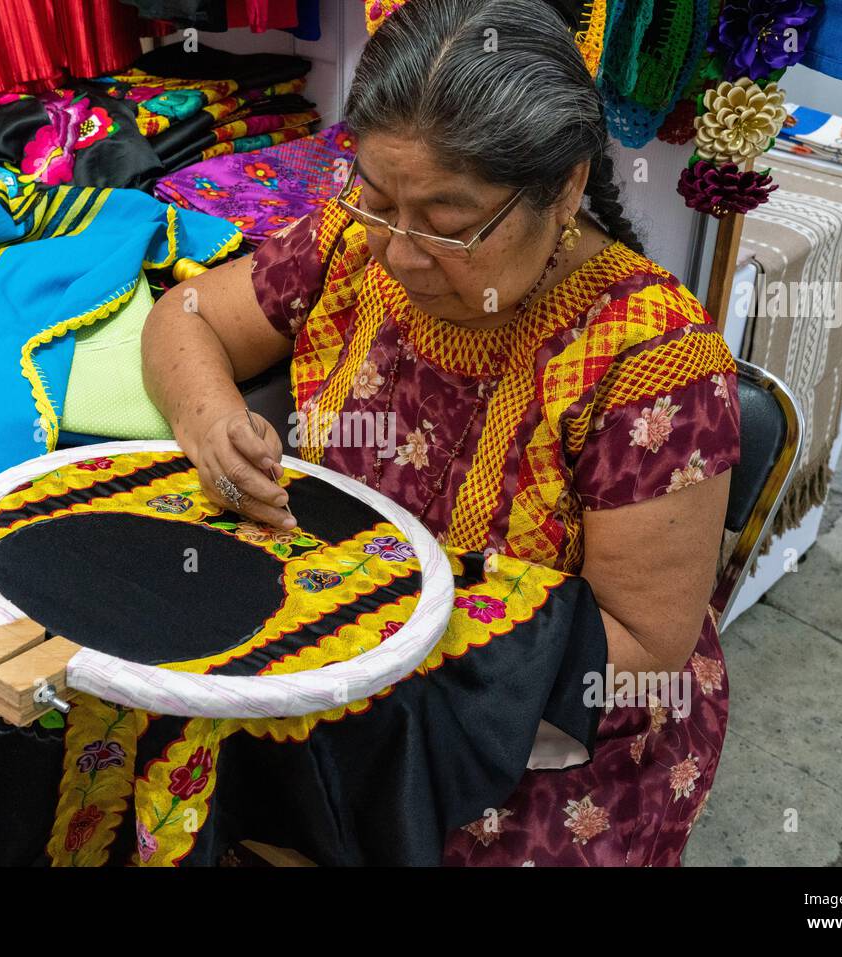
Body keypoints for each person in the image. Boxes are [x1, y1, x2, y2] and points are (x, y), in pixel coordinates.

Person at [142, 0, 740, 866]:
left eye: (451, 226)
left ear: (566, 186)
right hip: (333, 659)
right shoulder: (358, 240)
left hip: (532, 732)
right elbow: (186, 316)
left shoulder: (652, 364)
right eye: (380, 200)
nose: (402, 255)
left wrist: (384, 647)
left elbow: (640, 654)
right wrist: (213, 421)